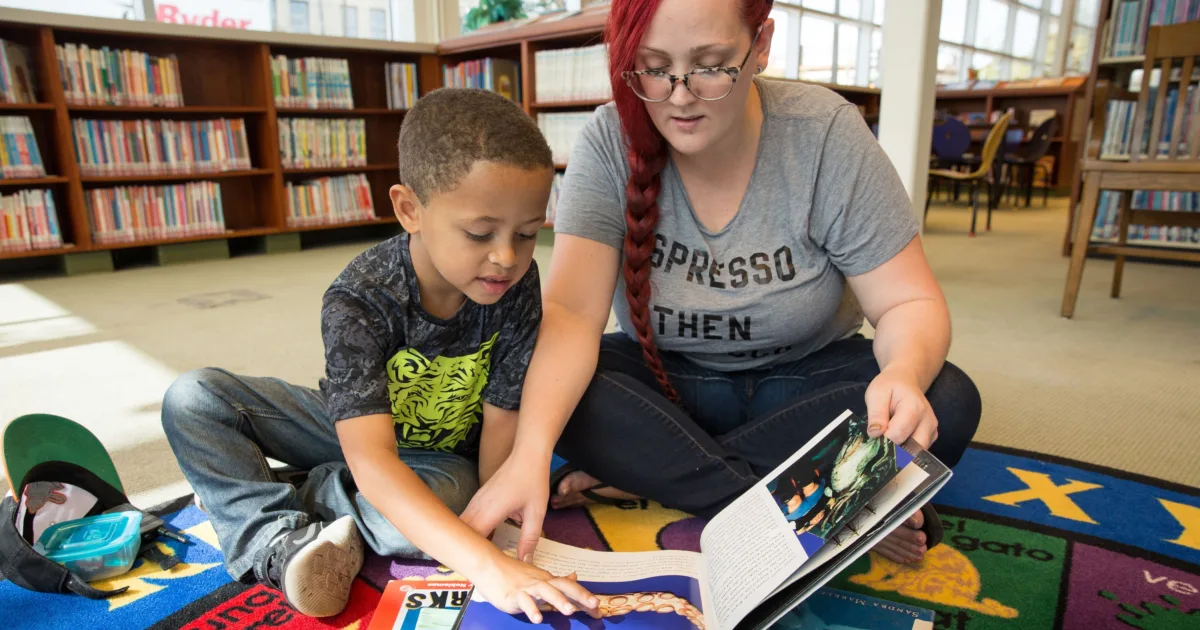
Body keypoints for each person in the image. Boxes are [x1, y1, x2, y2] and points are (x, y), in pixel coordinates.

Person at [461, 0, 982, 567]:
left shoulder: (825, 133)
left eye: (710, 66)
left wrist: (904, 373)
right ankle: (829, 508)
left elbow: (908, 301)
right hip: (670, 386)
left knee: (945, 398)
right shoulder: (608, 141)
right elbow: (570, 315)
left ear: (761, 44)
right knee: (559, 393)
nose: (679, 96)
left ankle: (652, 478)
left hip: (803, 380)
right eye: (653, 68)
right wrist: (531, 453)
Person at [161, 88, 598, 621]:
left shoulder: (516, 285)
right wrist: (488, 567)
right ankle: (276, 542)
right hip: (355, 428)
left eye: (528, 234)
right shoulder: (361, 297)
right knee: (193, 399)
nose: (506, 257)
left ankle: (290, 496)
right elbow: (370, 455)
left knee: (445, 508)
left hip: (441, 461)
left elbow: (502, 414)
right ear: (409, 209)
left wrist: (495, 516)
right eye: (480, 233)